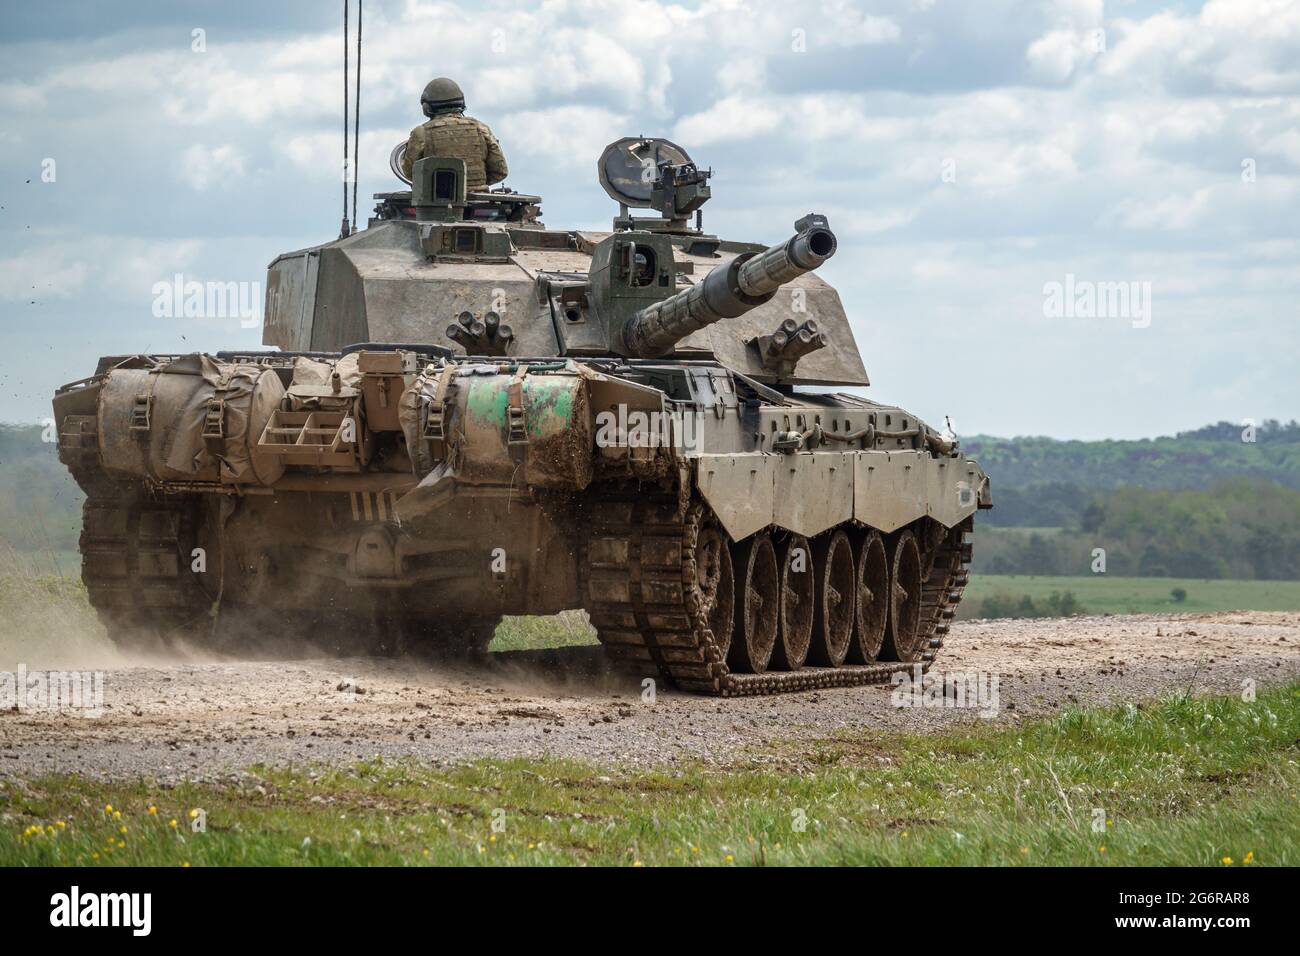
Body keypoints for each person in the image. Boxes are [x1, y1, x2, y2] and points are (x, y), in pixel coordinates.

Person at [400, 77, 508, 191]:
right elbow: (500, 171)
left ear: (427, 107)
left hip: (438, 199)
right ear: (462, 103)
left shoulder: (421, 133)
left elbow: (410, 173)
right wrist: (474, 186)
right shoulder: (480, 128)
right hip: (480, 197)